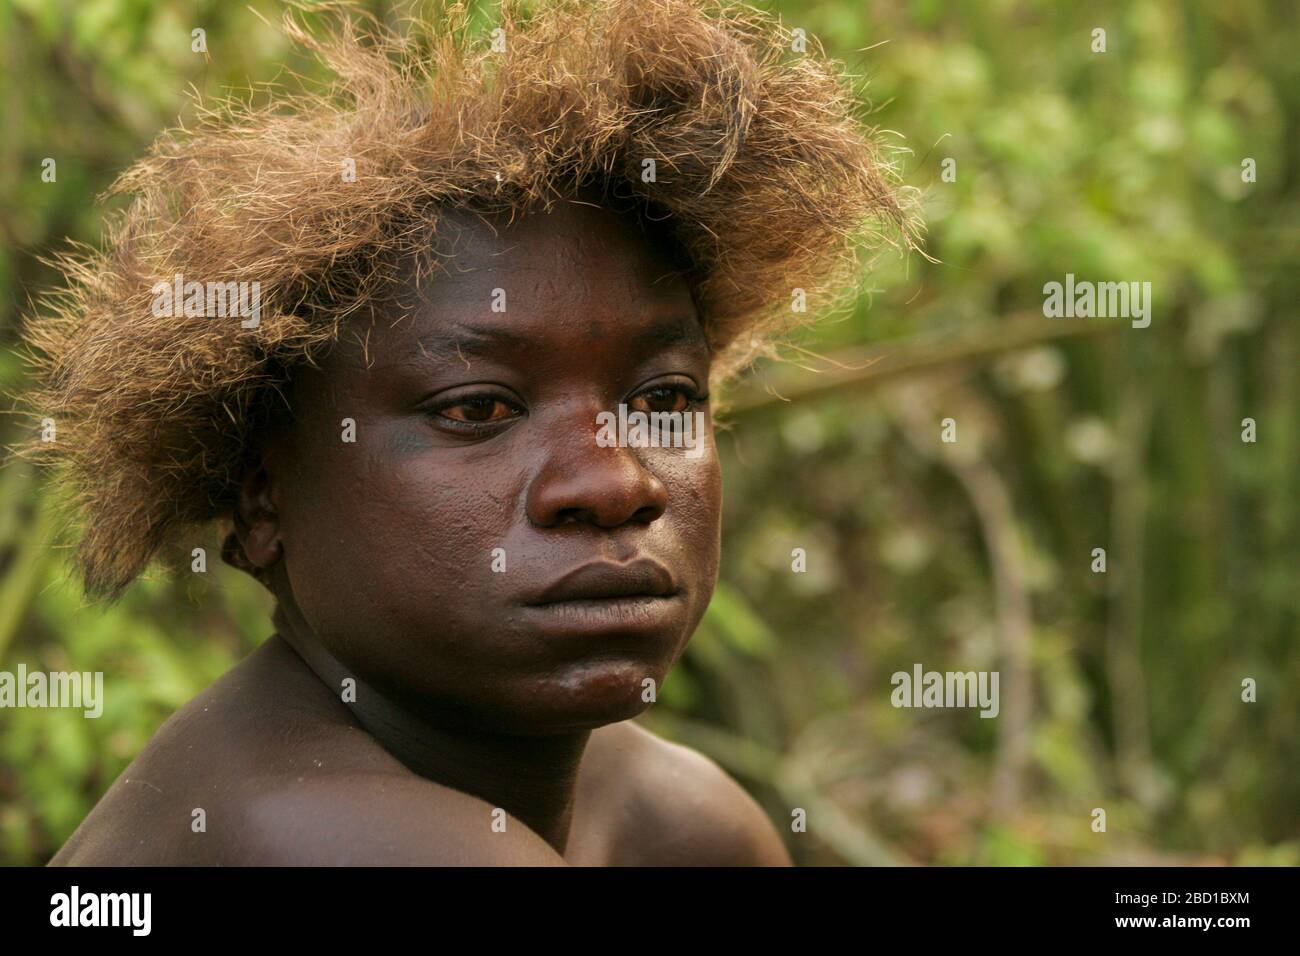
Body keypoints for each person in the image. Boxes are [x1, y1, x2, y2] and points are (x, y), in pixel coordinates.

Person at [22, 0, 915, 865]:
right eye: (477, 408)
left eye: (663, 398)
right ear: (263, 501)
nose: (614, 483)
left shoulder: (677, 821)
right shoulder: (304, 832)